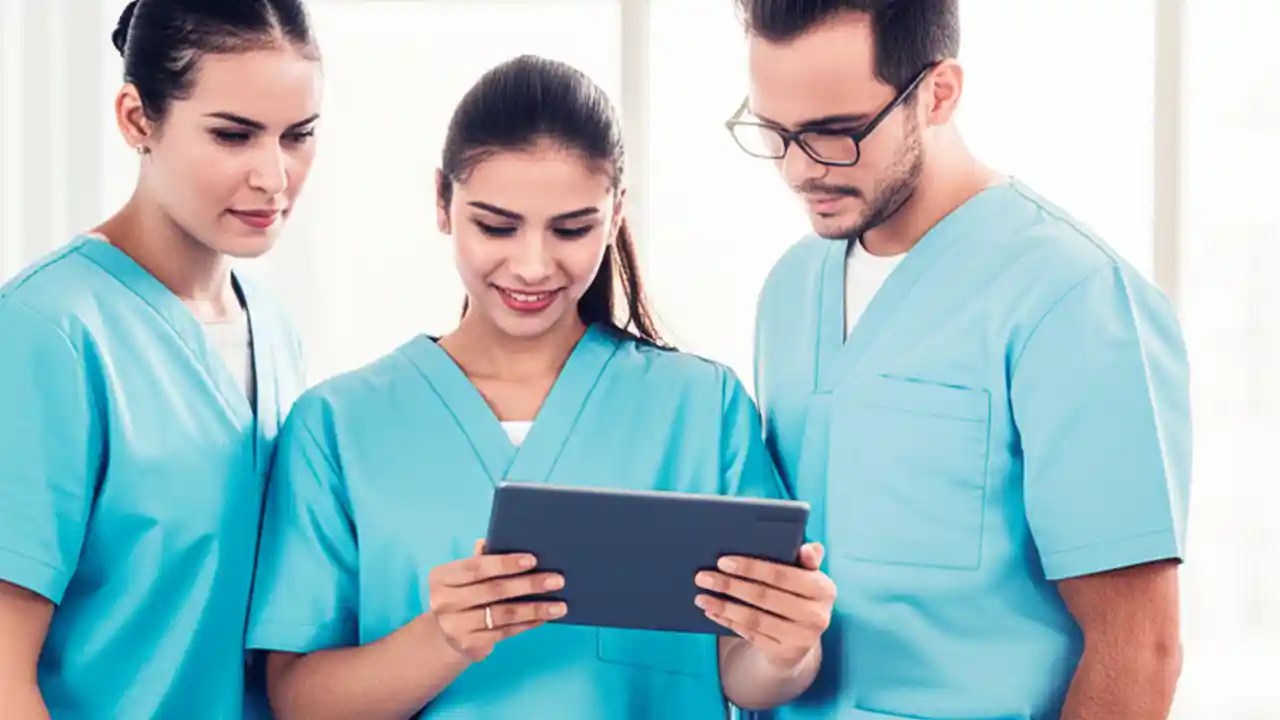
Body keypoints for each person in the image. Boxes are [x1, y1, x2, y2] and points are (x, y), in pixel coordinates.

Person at [245, 54, 836, 720]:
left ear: (616, 213)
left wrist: (787, 652)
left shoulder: (702, 408)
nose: (532, 266)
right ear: (442, 202)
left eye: (571, 229)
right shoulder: (338, 425)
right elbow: (297, 700)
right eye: (496, 226)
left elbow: (742, 675)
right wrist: (442, 638)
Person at [727, 1, 1191, 718]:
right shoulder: (791, 288)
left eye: (836, 134)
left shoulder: (1073, 300)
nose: (798, 169)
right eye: (776, 133)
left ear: (938, 94)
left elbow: (1138, 645)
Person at [0, 1, 322, 717]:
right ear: (136, 118)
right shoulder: (44, 332)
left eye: (297, 136)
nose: (274, 176)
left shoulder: (274, 330)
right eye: (234, 135)